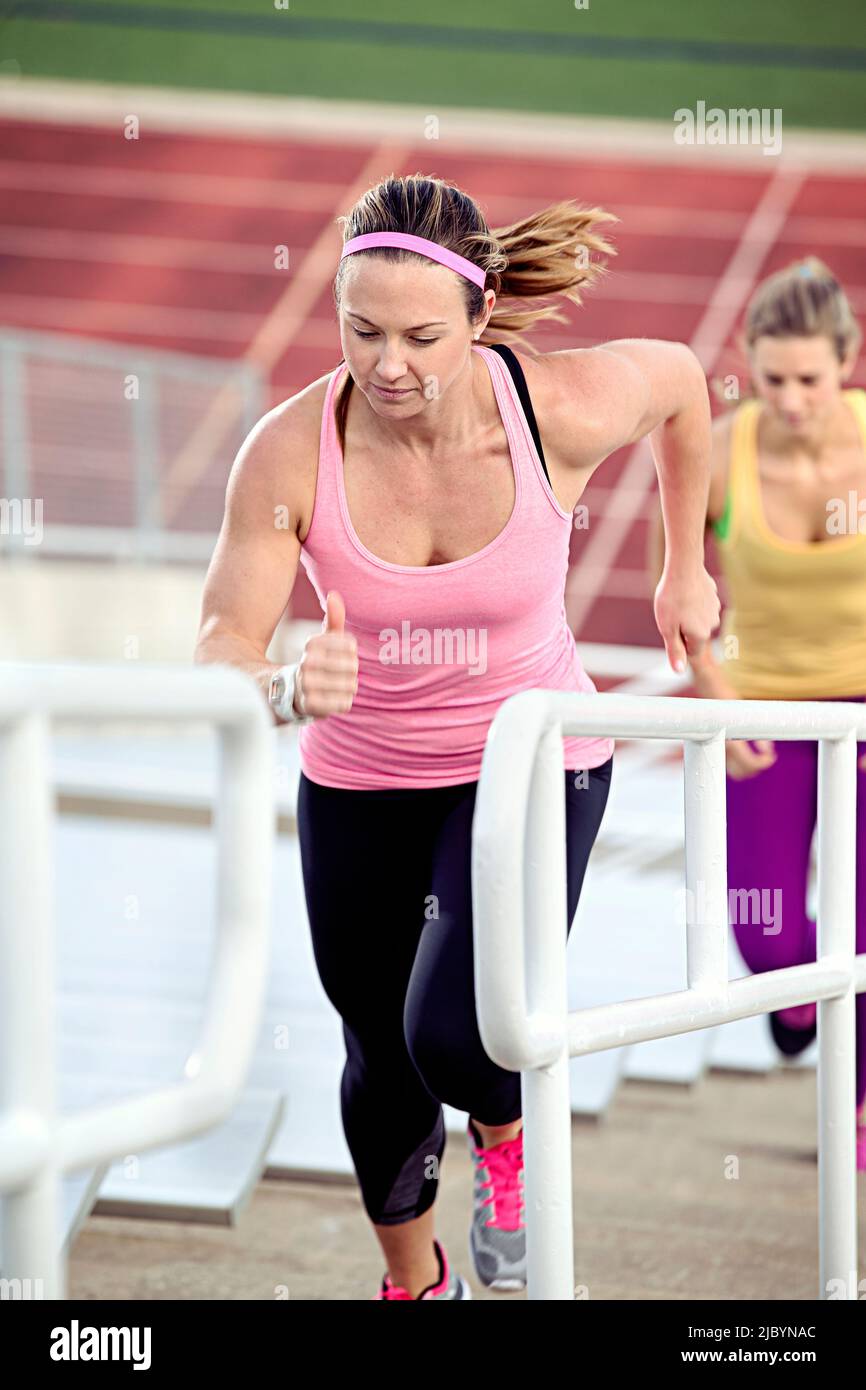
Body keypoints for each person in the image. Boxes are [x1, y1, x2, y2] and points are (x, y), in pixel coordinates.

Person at [195, 174, 719, 1299]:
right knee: (379, 1048)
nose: (388, 365)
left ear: (479, 318)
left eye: (422, 337)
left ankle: (504, 1135)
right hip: (359, 778)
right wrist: (285, 684)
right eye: (360, 330)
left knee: (454, 1032)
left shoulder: (557, 409)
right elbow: (219, 643)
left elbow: (680, 385)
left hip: (528, 762)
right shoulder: (289, 452)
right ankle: (414, 1282)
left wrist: (684, 565)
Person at [649, 256, 866, 1172]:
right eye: (772, 377)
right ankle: (798, 1001)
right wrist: (720, 705)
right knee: (766, 926)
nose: (790, 399)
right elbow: (682, 595)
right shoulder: (724, 452)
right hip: (763, 710)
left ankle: (858, 1105)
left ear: (846, 364)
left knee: (864, 927)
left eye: (810, 379)